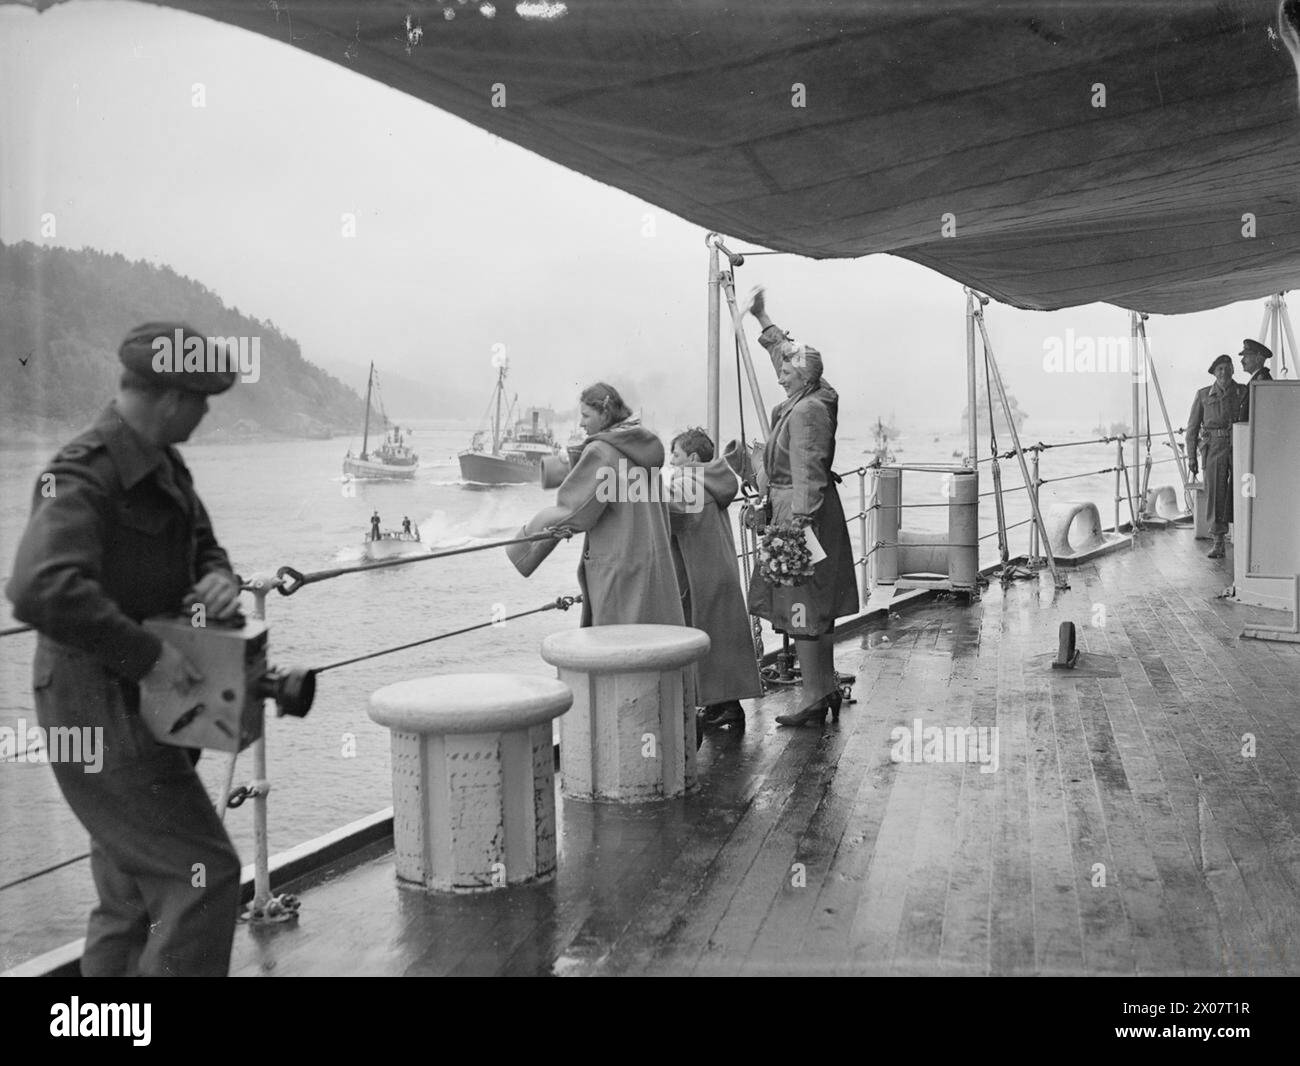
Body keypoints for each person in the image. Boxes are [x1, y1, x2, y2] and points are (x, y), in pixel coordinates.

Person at [5, 322, 244, 977]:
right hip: (98, 708)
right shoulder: (83, 474)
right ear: (170, 397)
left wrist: (218, 578)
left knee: (130, 895)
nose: (204, 412)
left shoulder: (165, 466)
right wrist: (149, 656)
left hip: (154, 709)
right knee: (205, 876)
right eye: (201, 399)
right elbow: (38, 586)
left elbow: (203, 545)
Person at [745, 289, 859, 727]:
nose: (779, 378)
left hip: (802, 513)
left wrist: (795, 528)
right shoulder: (812, 391)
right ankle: (824, 687)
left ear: (804, 377)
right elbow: (788, 358)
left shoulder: (808, 410)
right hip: (804, 511)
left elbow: (809, 468)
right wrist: (763, 317)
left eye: (786, 374)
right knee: (812, 602)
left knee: (803, 601)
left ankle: (814, 695)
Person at [507, 382, 683, 628]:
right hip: (651, 563)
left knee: (615, 648)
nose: (581, 423)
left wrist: (521, 548)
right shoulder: (642, 449)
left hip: (620, 569)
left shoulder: (601, 452)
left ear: (605, 414)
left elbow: (575, 511)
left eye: (586, 415)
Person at [667, 427, 763, 731]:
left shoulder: (688, 482)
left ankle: (720, 707)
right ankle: (725, 706)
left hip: (700, 574)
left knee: (705, 640)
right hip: (718, 568)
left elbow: (667, 513)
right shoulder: (713, 480)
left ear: (693, 457)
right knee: (722, 641)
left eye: (677, 455)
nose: (671, 461)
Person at [1186, 353, 1248, 559]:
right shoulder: (1203, 395)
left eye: (1227, 367)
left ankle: (1243, 538)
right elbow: (1192, 429)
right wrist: (1192, 457)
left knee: (1242, 490)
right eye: (1219, 369)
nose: (1224, 372)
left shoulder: (1243, 392)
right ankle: (1219, 542)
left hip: (1238, 445)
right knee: (1216, 494)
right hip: (1213, 449)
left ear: (1233, 370)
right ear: (1214, 372)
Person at [1236, 338, 1274, 422]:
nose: (1242, 361)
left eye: (1246, 357)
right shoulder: (1256, 380)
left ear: (1258, 359)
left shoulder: (1262, 382)